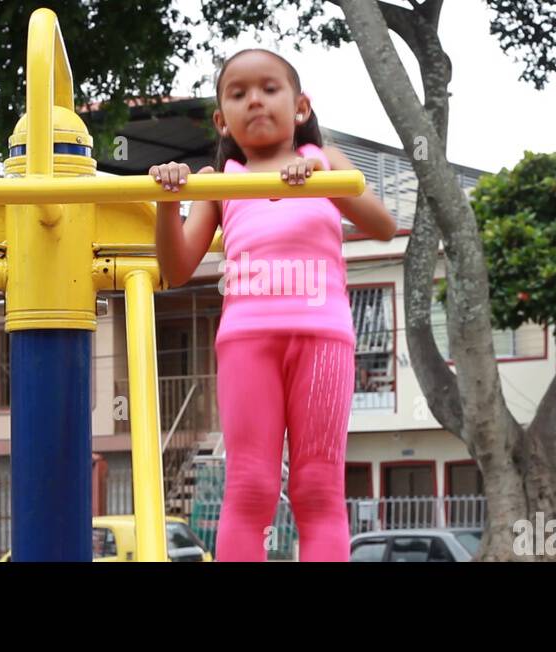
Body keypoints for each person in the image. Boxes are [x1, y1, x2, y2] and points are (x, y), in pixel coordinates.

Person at [152, 48, 396, 561]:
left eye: (269, 89)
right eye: (238, 94)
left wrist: (322, 181)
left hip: (323, 340)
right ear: (222, 119)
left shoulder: (326, 162)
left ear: (300, 106)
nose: (255, 101)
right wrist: (167, 202)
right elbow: (174, 271)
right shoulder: (220, 183)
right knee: (250, 485)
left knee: (317, 486)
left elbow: (382, 225)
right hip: (247, 344)